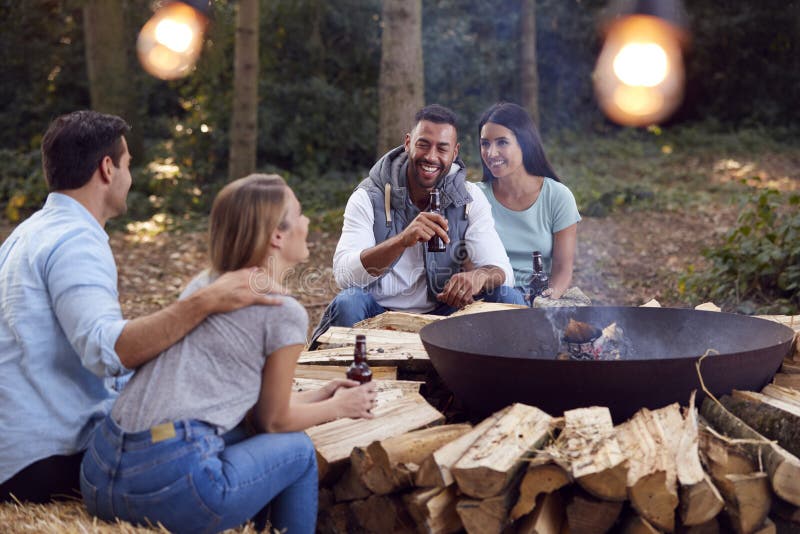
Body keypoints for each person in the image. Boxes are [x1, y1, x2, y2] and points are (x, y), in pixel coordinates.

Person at [0, 111, 281, 504]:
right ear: (107, 169)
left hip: (13, 454)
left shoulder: (26, 234)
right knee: (249, 424)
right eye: (129, 165)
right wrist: (206, 301)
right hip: (47, 459)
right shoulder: (75, 241)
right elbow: (108, 351)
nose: (131, 177)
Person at [80, 174, 376, 534]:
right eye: (299, 214)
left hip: (99, 472)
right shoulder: (283, 312)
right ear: (276, 235)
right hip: (167, 487)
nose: (307, 222)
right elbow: (274, 422)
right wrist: (340, 407)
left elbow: (251, 409)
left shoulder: (206, 286)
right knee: (297, 451)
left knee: (246, 435)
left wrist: (319, 395)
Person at [311, 104, 518, 342]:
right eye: (423, 144)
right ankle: (352, 376)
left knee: (508, 298)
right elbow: (345, 277)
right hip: (379, 315)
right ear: (408, 143)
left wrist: (478, 277)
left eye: (442, 148)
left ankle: (512, 378)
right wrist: (401, 240)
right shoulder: (369, 196)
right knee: (349, 302)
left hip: (444, 316)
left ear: (454, 152)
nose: (431, 156)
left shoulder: (468, 198)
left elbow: (504, 272)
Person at [476, 102, 580, 301]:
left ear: (525, 143)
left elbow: (562, 270)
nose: (491, 153)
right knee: (506, 294)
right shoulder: (475, 196)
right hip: (489, 299)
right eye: (485, 143)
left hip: (538, 299)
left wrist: (546, 300)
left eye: (502, 142)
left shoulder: (557, 197)